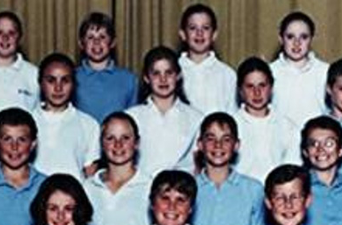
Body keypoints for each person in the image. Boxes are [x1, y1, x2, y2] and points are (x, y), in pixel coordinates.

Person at [192, 112, 267, 225]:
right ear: (200, 144)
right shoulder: (189, 188)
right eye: (210, 138)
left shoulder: (253, 189)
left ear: (236, 145)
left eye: (226, 139)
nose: (218, 145)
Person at [83, 111, 152, 225]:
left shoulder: (150, 187)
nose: (118, 144)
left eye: (125, 138)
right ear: (101, 144)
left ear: (136, 143)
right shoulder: (87, 188)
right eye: (110, 138)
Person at [125, 46, 204, 177]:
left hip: (182, 187)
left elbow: (198, 165)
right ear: (146, 78)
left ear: (178, 75)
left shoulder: (196, 118)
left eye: (169, 72)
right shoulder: (132, 117)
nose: (163, 79)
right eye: (156, 73)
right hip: (143, 187)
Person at [232, 57, 302, 184]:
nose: (257, 92)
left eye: (262, 85)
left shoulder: (288, 127)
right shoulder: (232, 126)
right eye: (250, 86)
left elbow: (291, 169)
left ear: (271, 87)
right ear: (240, 90)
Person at [31, 53, 101, 178]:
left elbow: (90, 175)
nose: (58, 88)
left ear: (74, 84)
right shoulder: (27, 121)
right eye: (51, 80)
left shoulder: (89, 124)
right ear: (40, 83)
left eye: (65, 80)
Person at [269, 11, 330, 128]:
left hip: (317, 137)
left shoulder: (325, 71)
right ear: (281, 39)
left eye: (304, 37)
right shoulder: (270, 72)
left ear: (312, 39)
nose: (297, 43)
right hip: (280, 137)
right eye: (290, 37)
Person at [73, 12, 137, 123]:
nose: (96, 42)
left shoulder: (129, 79)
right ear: (81, 43)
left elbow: (133, 119)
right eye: (90, 37)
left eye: (102, 37)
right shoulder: (72, 77)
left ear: (112, 42)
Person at [176, 3, 237, 116]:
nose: (199, 33)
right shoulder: (173, 72)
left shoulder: (227, 74)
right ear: (183, 34)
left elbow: (232, 115)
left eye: (205, 28)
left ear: (214, 35)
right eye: (193, 28)